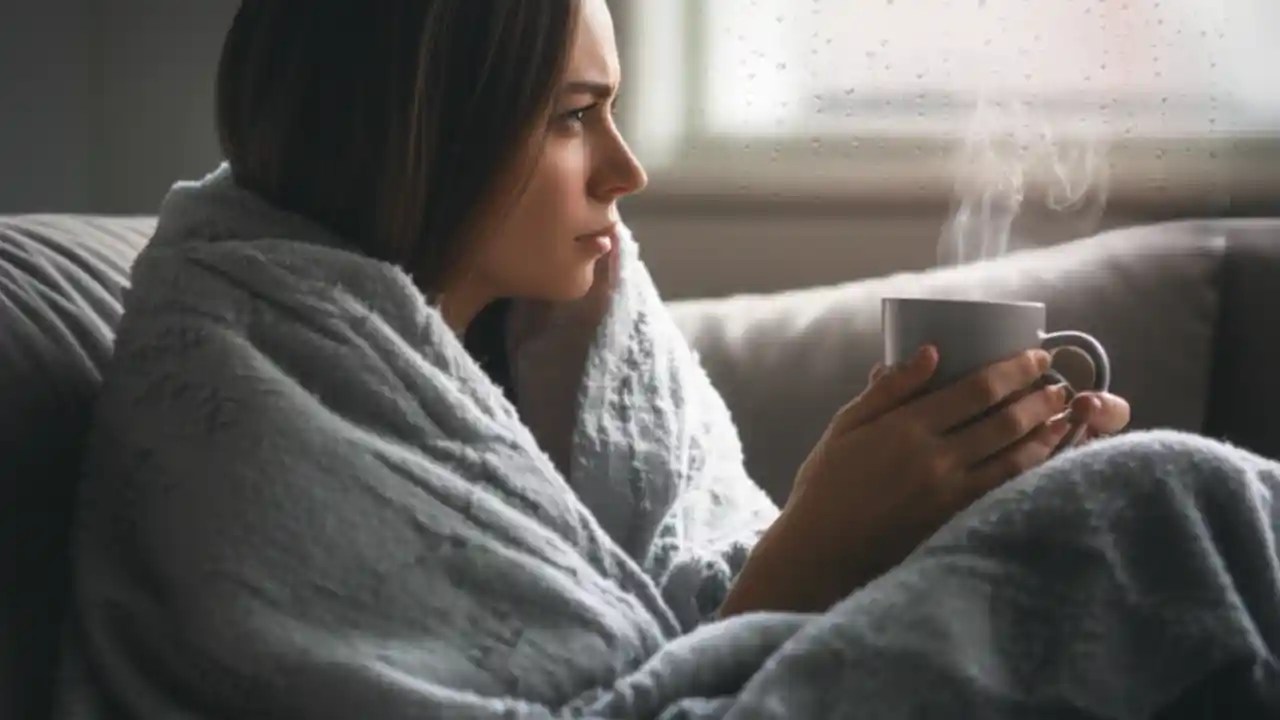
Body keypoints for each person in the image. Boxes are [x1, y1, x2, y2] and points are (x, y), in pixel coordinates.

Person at [55, 1, 1278, 718]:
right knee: (1165, 502)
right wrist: (818, 550)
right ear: (424, 128)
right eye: (574, 117)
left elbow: (691, 628)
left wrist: (929, 521)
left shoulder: (559, 350)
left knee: (1122, 500)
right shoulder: (253, 399)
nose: (627, 172)